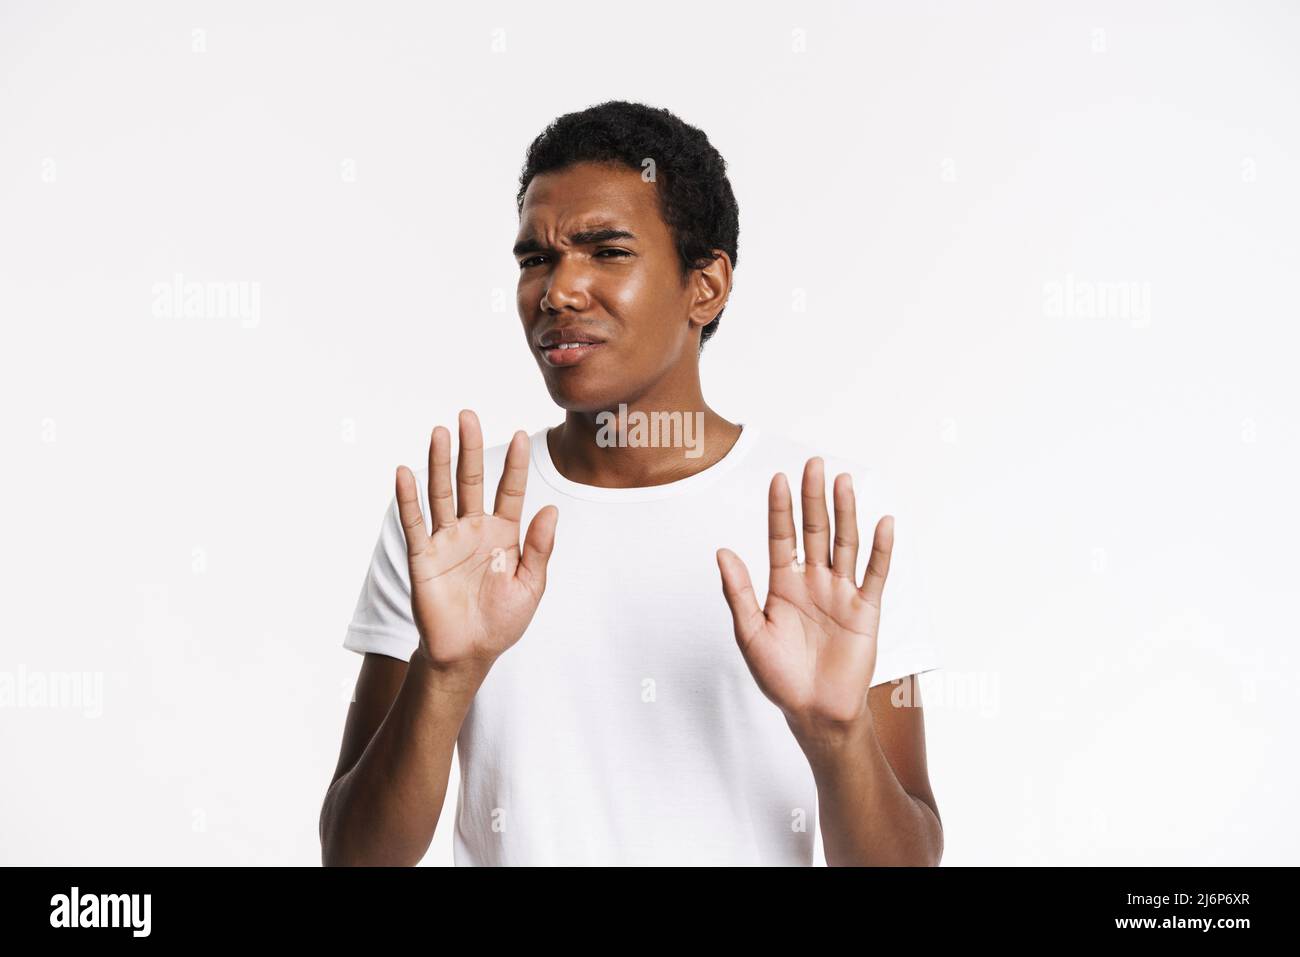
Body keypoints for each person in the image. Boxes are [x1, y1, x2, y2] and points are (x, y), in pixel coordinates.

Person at [318, 100, 943, 866]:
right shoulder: (454, 523)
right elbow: (355, 857)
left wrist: (837, 735)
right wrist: (445, 674)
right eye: (535, 259)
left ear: (705, 286)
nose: (557, 291)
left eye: (606, 250)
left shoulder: (830, 519)